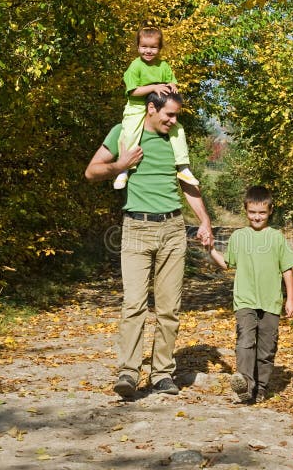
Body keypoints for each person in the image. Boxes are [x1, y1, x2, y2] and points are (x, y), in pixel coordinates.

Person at [85, 91, 213, 398]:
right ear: (151, 108)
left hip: (172, 227)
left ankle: (162, 374)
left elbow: (187, 182)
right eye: (169, 114)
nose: (173, 120)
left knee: (169, 308)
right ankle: (128, 373)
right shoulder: (125, 132)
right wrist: (120, 164)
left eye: (177, 116)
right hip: (136, 227)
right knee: (134, 305)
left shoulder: (175, 138)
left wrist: (205, 220)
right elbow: (91, 171)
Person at [206, 186, 293, 403]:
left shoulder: (276, 237)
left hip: (271, 301)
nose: (257, 217)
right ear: (245, 210)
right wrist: (210, 250)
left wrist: (290, 299)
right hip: (245, 299)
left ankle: (262, 388)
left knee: (267, 347)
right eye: (252, 212)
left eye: (262, 213)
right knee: (245, 340)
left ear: (270, 211)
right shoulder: (239, 236)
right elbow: (226, 264)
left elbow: (287, 269)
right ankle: (245, 385)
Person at [112, 24, 199, 190]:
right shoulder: (135, 66)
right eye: (144, 47)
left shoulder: (163, 65)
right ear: (138, 46)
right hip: (137, 106)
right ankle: (123, 169)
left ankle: (183, 167)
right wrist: (154, 87)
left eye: (153, 47)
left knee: (178, 130)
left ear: (159, 48)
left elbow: (171, 80)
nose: (148, 51)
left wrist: (173, 85)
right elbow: (133, 91)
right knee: (130, 132)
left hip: (159, 109)